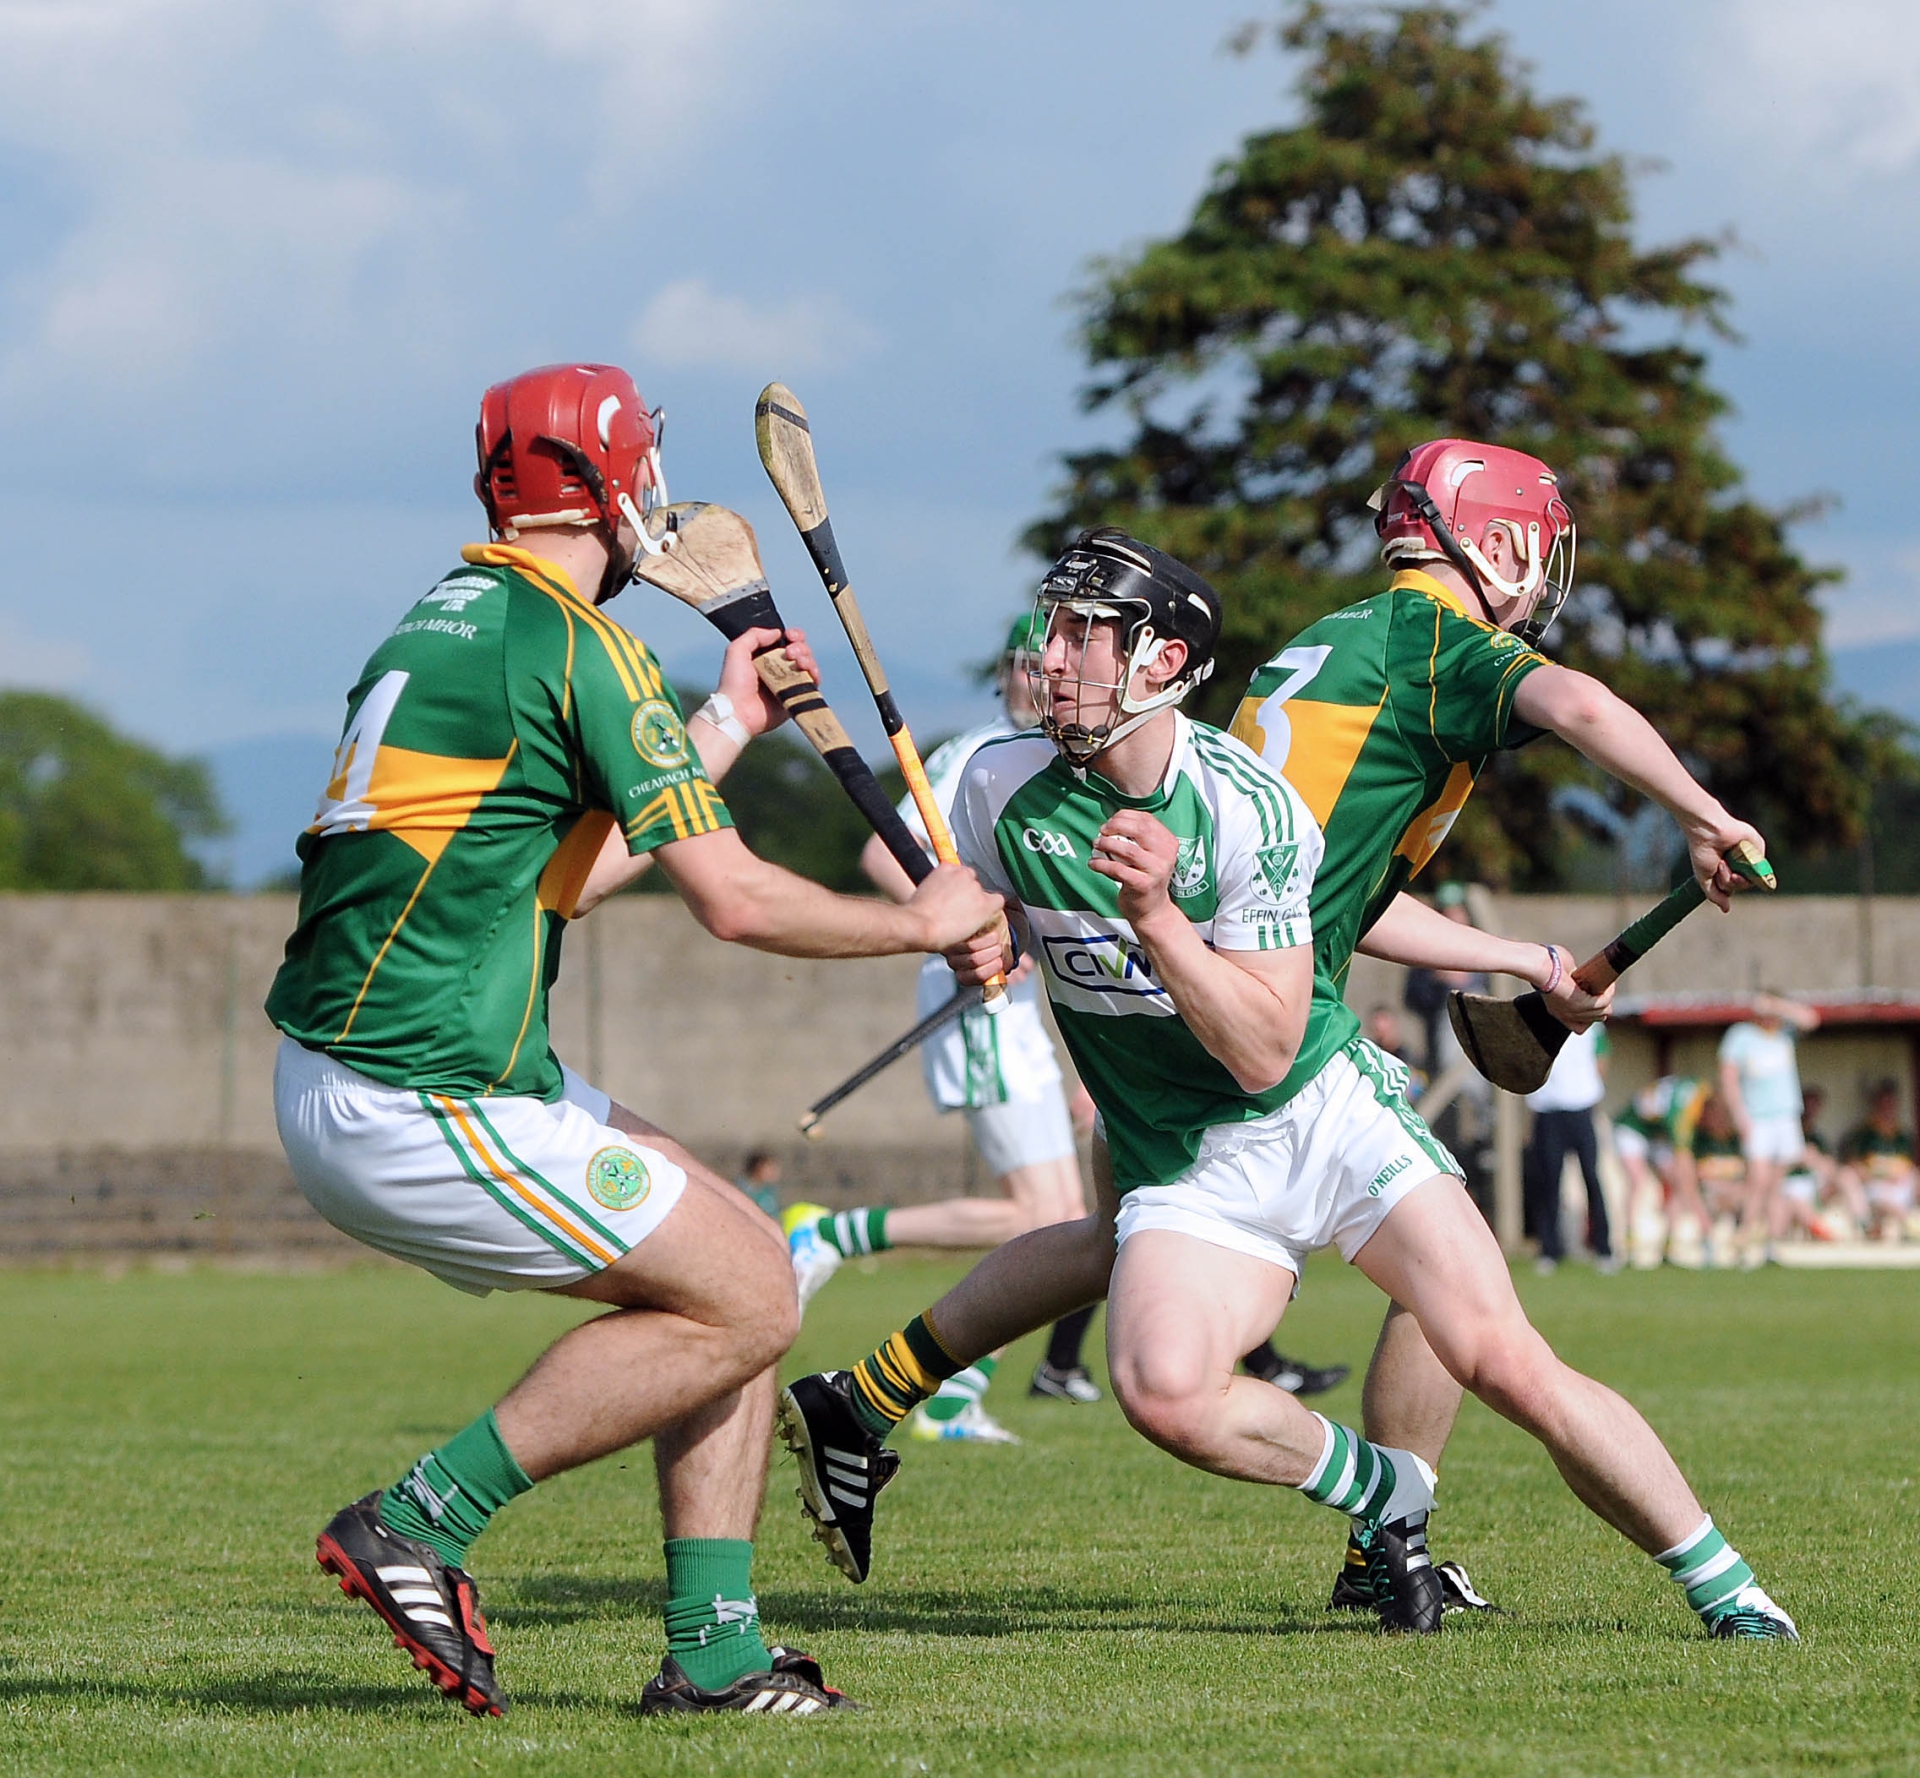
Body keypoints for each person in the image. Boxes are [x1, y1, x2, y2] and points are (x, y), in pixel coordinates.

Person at [779, 517, 1794, 1643]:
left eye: (1082, 636)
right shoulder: (990, 785)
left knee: (1503, 1357)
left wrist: (1159, 921)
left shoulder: (1248, 806)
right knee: (1161, 1387)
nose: (1049, 657)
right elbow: (946, 888)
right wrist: (968, 924)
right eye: (1051, 630)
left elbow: (1263, 1049)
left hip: (1320, 1113)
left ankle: (1729, 1588)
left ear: (1161, 664)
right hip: (1185, 1157)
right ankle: (1387, 1499)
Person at [267, 363, 1000, 1718]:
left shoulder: (446, 623)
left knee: (740, 1260)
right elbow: (731, 900)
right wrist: (926, 916)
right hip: (420, 1092)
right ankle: (420, 1521)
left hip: (384, 1074)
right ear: (611, 486)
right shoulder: (574, 646)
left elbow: (575, 874)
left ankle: (715, 1652)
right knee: (753, 1298)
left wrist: (727, 715)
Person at [784, 614, 1346, 1435]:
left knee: (1088, 1227)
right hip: (980, 1009)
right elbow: (890, 858)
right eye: (1027, 660)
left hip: (1038, 1014)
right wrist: (971, 925)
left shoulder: (1092, 767)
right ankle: (849, 1257)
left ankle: (931, 1385)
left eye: (1059, 655)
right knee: (1048, 1216)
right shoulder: (982, 760)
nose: (1041, 674)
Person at [1719, 993, 1821, 1264]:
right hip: (1758, 1117)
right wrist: (1740, 1117)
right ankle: (1744, 1235)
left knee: (1777, 1183)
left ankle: (1771, 1244)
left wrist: (1779, 1005)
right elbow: (1729, 1079)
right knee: (1758, 1180)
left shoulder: (1784, 1033)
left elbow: (1811, 1019)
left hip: (1785, 1117)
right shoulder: (1741, 1035)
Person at [1524, 1025, 1614, 1273]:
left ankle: (1604, 1248)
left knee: (1592, 1178)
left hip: (1581, 1106)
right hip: (1548, 1107)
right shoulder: (1539, 1018)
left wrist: (1590, 1089)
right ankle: (1550, 1250)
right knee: (1550, 1182)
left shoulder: (1592, 1024)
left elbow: (1602, 1056)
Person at [1612, 1076, 1714, 1267]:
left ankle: (1668, 1243)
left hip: (1657, 1134)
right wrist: (1704, 1220)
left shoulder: (1700, 1092)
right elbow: (1687, 1175)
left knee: (1676, 1183)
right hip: (1632, 1128)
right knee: (1637, 1181)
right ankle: (1629, 1240)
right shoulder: (1682, 1114)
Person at [1838, 1079, 1918, 1243]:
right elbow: (1853, 1165)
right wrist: (1881, 1175)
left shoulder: (1903, 1135)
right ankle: (1909, 1226)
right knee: (1884, 1201)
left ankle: (1909, 1225)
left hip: (1900, 1187)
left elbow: (1910, 1167)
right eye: (1884, 1102)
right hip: (1875, 1188)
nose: (1887, 1107)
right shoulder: (1864, 1133)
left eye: (1891, 1102)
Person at [734, 1149, 784, 1220]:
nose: (774, 1172)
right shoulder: (740, 1190)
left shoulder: (769, 1190)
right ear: (758, 1167)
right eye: (769, 1168)